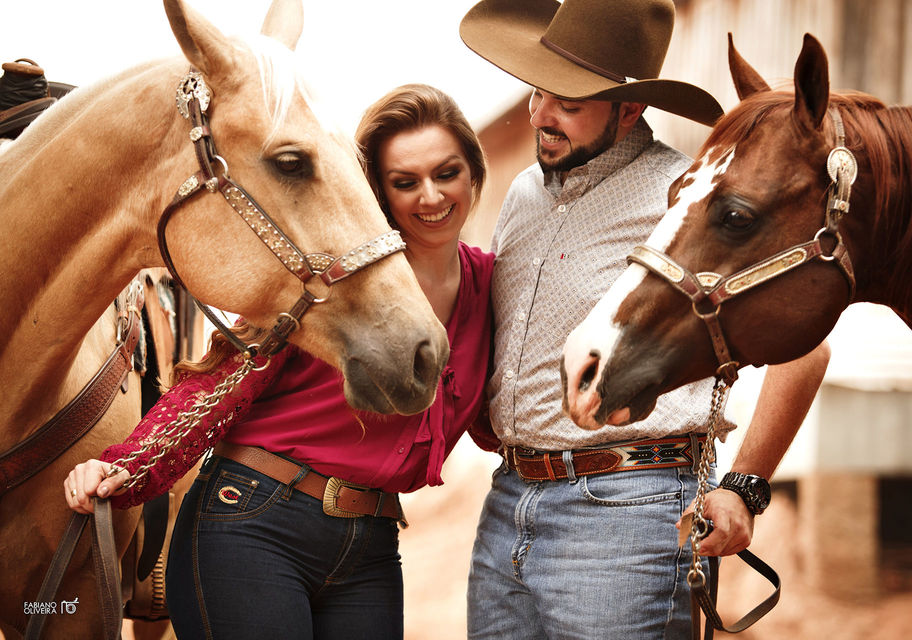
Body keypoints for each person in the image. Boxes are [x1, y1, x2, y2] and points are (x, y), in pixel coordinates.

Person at [64, 83, 494, 640]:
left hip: (371, 545)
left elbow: (501, 405)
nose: (431, 196)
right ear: (379, 193)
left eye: (447, 172)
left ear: (473, 172)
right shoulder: (334, 275)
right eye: (405, 182)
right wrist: (129, 464)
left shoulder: (491, 286)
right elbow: (228, 378)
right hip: (254, 523)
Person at [459, 0, 831, 638]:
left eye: (568, 104)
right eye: (538, 93)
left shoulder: (681, 197)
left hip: (630, 513)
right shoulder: (521, 194)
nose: (541, 116)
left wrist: (746, 487)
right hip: (508, 504)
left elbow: (805, 348)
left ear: (629, 109)